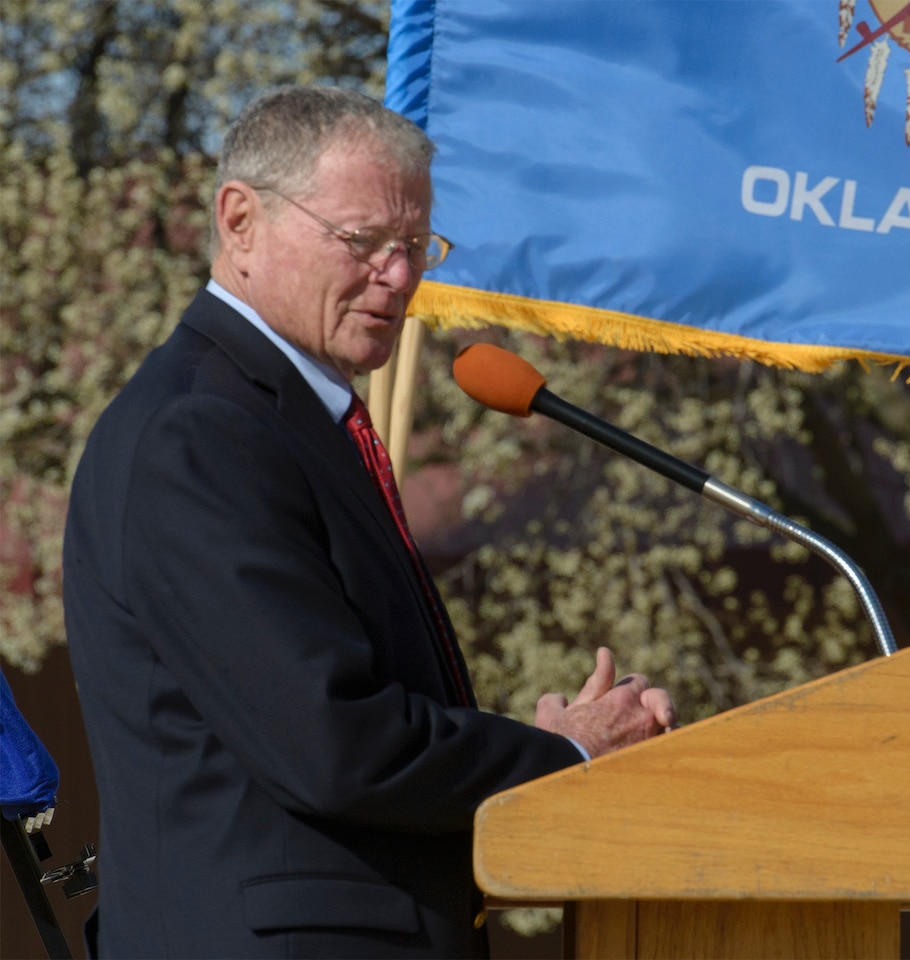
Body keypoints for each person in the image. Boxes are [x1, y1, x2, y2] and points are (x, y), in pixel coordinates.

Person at [63, 85, 675, 959]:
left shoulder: (279, 421)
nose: (398, 278)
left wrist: (533, 754)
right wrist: (565, 755)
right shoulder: (199, 433)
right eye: (362, 242)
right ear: (239, 221)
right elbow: (334, 744)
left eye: (415, 246)